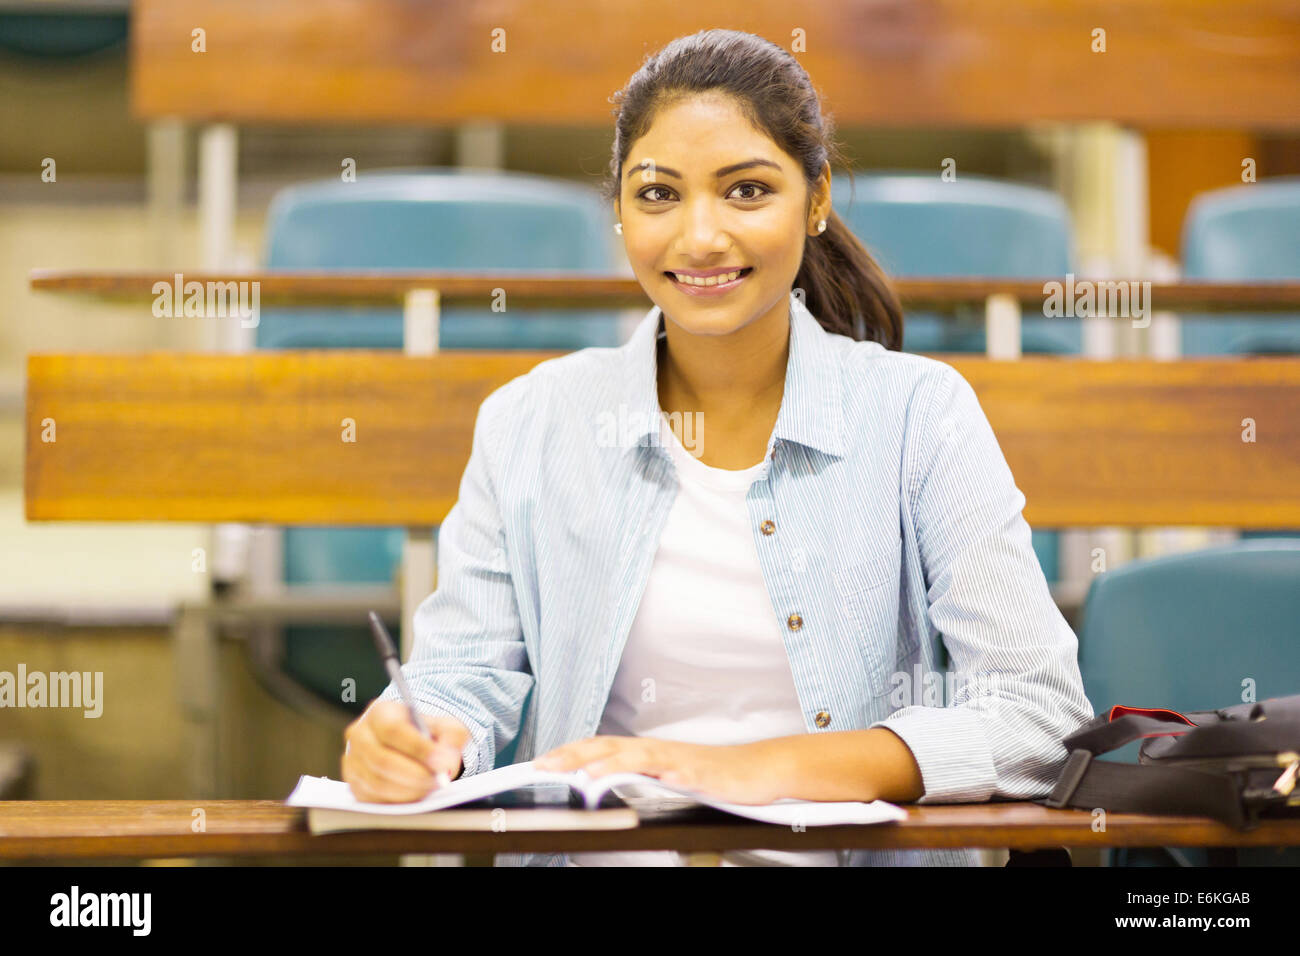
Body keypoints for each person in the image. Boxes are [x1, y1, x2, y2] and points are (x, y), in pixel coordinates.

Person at [341, 28, 1093, 866]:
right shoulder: (532, 420)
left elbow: (1040, 713)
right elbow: (462, 679)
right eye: (658, 195)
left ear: (816, 202)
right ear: (619, 210)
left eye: (746, 191)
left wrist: (733, 771)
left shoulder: (920, 414)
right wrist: (415, 736)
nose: (699, 237)